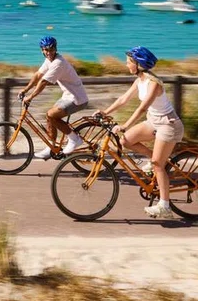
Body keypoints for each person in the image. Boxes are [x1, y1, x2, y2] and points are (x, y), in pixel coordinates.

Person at [93, 46, 184, 220]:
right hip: (153, 121)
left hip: (168, 125)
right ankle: (156, 160)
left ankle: (165, 206)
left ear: (139, 64)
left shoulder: (153, 84)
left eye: (129, 62)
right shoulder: (140, 80)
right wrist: (105, 112)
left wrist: (125, 125)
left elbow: (142, 108)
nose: (127, 65)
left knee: (158, 164)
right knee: (125, 141)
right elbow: (123, 99)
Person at [18, 36, 90, 159]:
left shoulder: (58, 63)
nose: (49, 52)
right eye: (46, 50)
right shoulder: (49, 60)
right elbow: (38, 75)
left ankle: (74, 139)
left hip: (77, 98)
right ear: (42, 50)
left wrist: (30, 97)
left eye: (51, 49)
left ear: (56, 49)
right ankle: (51, 147)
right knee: (49, 116)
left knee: (51, 115)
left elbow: (43, 82)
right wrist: (25, 89)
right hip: (68, 96)